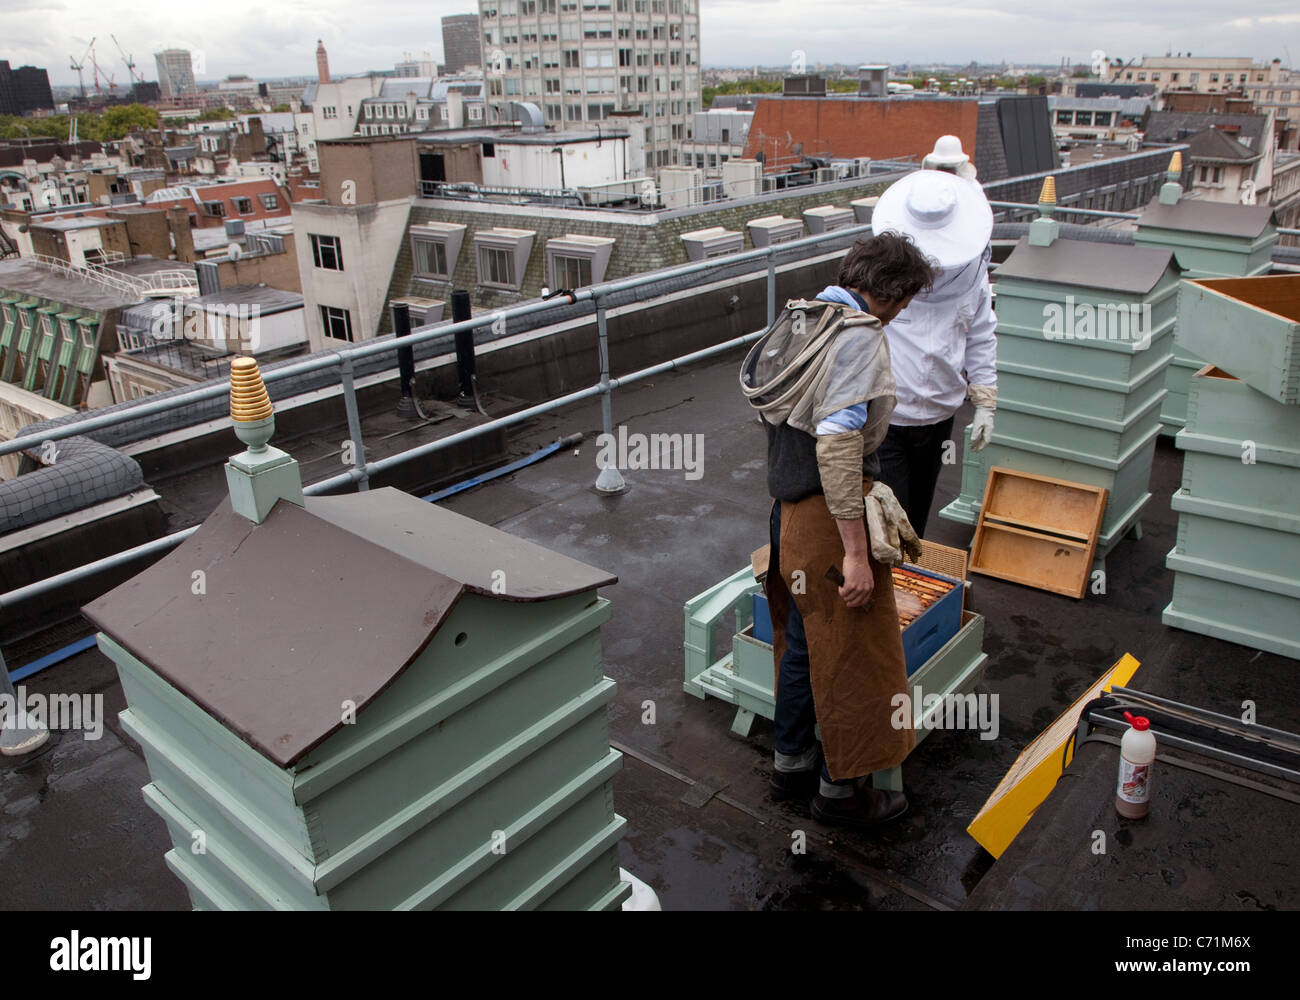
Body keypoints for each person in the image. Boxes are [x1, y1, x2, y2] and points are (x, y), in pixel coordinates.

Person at [740, 234, 937, 829]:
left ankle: (790, 764)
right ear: (889, 291)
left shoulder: (800, 317)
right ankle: (839, 793)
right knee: (853, 655)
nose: (902, 313)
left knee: (801, 643)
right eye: (903, 301)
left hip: (787, 517)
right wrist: (855, 552)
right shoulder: (855, 338)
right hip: (828, 522)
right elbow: (837, 447)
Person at [870, 139, 998, 538]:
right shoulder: (881, 270)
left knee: (917, 516)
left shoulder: (972, 272)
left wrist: (985, 400)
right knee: (890, 515)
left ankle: (904, 588)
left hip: (941, 411)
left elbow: (980, 333)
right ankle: (884, 590)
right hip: (887, 413)